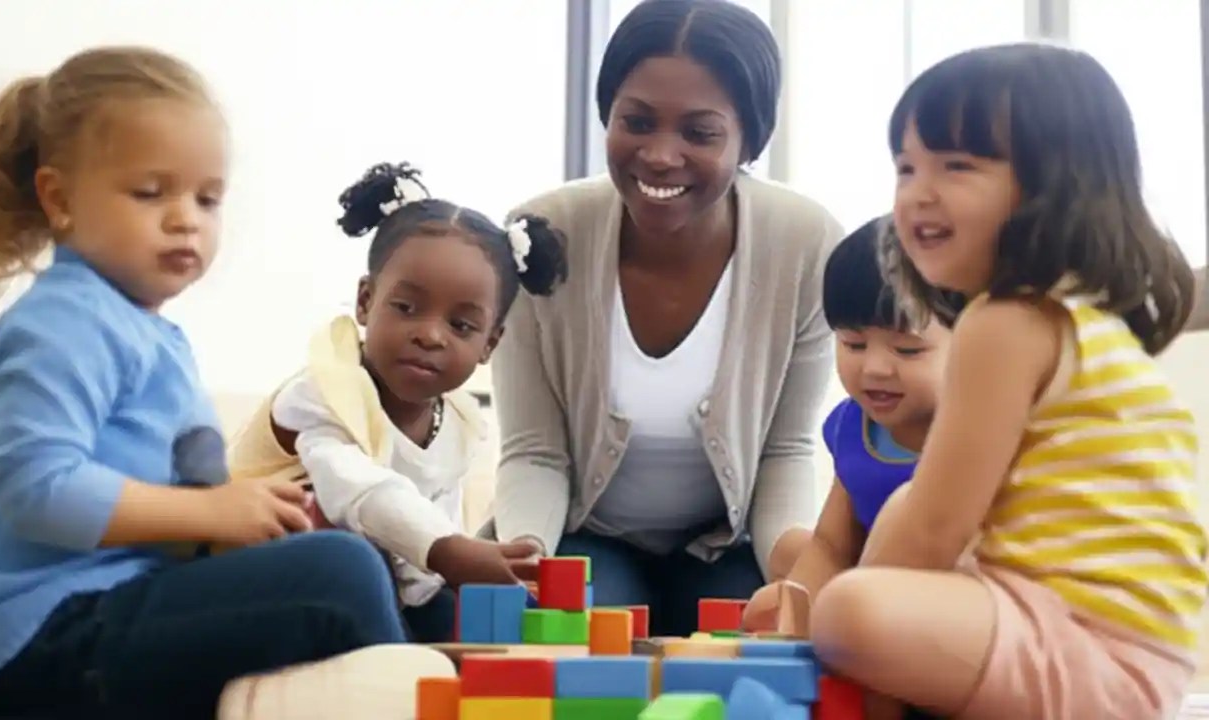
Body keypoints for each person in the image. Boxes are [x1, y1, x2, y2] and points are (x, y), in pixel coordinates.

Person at [0, 47, 411, 720]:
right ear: (60, 200)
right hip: (46, 637)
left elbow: (174, 507)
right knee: (339, 577)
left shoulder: (149, 334)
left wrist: (241, 523)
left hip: (102, 615)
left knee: (347, 561)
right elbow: (35, 489)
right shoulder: (64, 320)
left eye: (206, 198)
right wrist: (210, 513)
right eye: (150, 193)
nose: (186, 217)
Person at [807, 43, 1206, 720]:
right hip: (1118, 644)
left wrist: (829, 637)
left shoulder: (1008, 323)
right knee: (895, 534)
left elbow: (937, 524)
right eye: (906, 166)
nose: (918, 192)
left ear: (1058, 183)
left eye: (957, 166)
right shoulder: (1078, 315)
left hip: (1084, 647)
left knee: (850, 607)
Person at [486, 0, 843, 637]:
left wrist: (800, 560)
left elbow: (785, 451)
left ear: (749, 140)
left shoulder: (806, 243)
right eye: (637, 121)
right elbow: (534, 452)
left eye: (699, 133)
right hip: (589, 536)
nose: (659, 155)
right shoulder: (541, 232)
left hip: (729, 544)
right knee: (580, 649)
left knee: (750, 654)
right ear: (608, 114)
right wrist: (527, 556)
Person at [225, 162, 567, 642]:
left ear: (490, 344)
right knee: (349, 546)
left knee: (481, 621)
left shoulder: (460, 425)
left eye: (461, 326)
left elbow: (431, 525)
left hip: (383, 580)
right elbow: (359, 490)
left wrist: (456, 578)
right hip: (266, 572)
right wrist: (450, 552)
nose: (429, 334)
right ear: (366, 301)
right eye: (406, 308)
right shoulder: (324, 391)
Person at [739, 217, 950, 632]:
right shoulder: (856, 426)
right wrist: (793, 621)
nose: (873, 369)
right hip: (873, 583)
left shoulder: (981, 431)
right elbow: (832, 545)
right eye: (852, 344)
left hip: (956, 599)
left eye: (907, 350)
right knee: (786, 564)